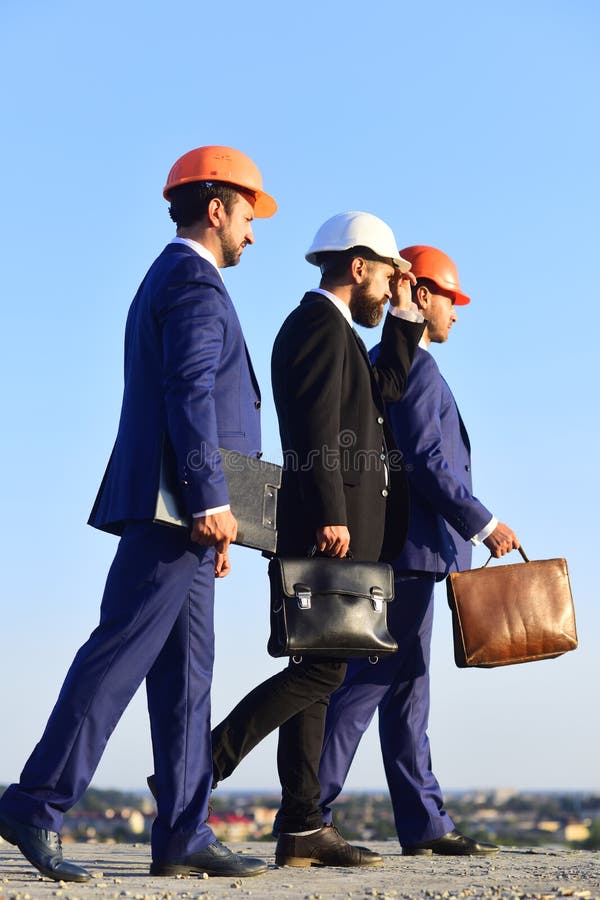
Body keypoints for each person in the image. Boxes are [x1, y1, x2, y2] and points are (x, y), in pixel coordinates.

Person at [0, 146, 277, 882]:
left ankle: (184, 832)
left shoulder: (179, 278)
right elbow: (189, 394)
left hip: (186, 515)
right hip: (177, 512)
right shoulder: (193, 281)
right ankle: (35, 803)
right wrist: (212, 500)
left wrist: (219, 516)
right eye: (249, 216)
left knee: (188, 676)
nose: (254, 233)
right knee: (121, 652)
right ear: (216, 208)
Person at [209, 212, 425, 867]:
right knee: (323, 668)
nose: (390, 289)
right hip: (323, 529)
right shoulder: (314, 327)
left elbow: (381, 391)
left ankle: (303, 826)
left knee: (316, 669)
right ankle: (198, 766)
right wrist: (333, 512)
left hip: (337, 530)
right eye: (388, 277)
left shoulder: (341, 336)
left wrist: (407, 319)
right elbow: (313, 429)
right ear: (357, 266)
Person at [317, 245, 520, 856]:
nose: (457, 313)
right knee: (373, 681)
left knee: (405, 685)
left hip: (401, 551)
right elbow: (429, 464)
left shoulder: (387, 360)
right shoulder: (417, 371)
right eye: (451, 299)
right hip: (409, 551)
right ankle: (308, 809)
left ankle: (422, 824)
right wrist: (483, 525)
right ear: (421, 295)